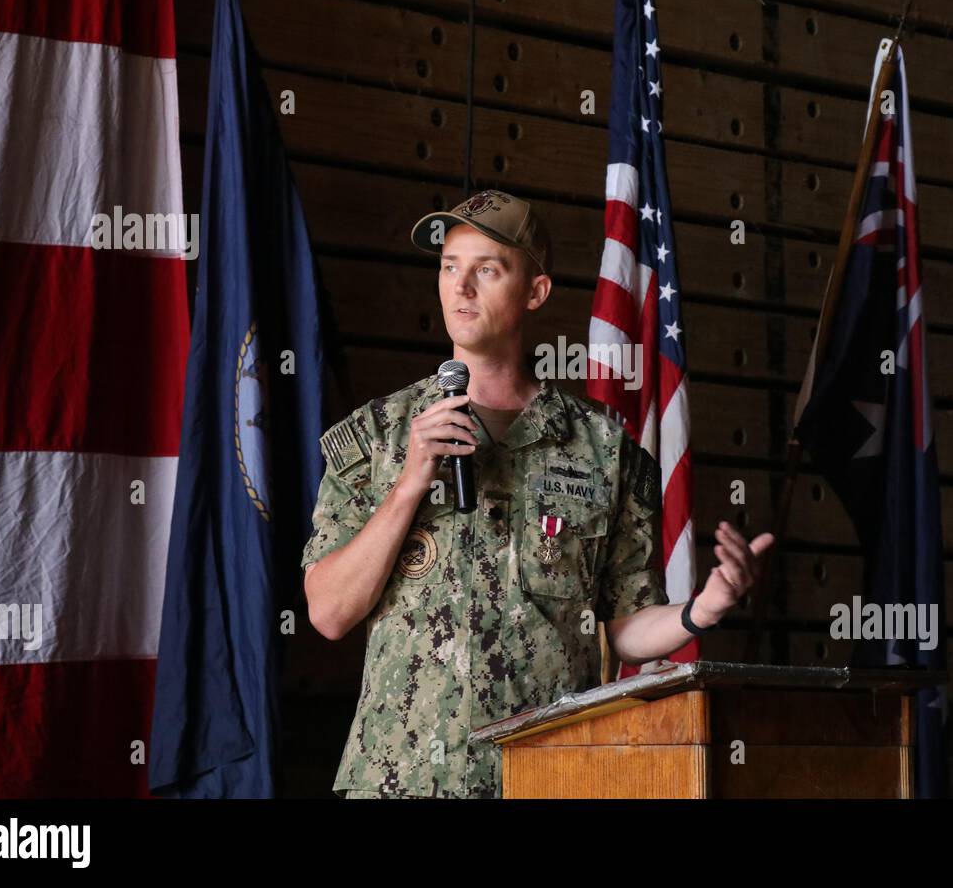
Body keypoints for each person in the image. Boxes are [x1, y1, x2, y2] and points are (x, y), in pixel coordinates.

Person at [301, 188, 774, 798]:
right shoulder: (378, 436)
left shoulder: (603, 449)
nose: (460, 287)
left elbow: (625, 625)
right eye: (449, 267)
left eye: (486, 270)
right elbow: (329, 613)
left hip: (549, 775)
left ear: (535, 293)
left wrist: (700, 611)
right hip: (404, 779)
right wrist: (410, 483)